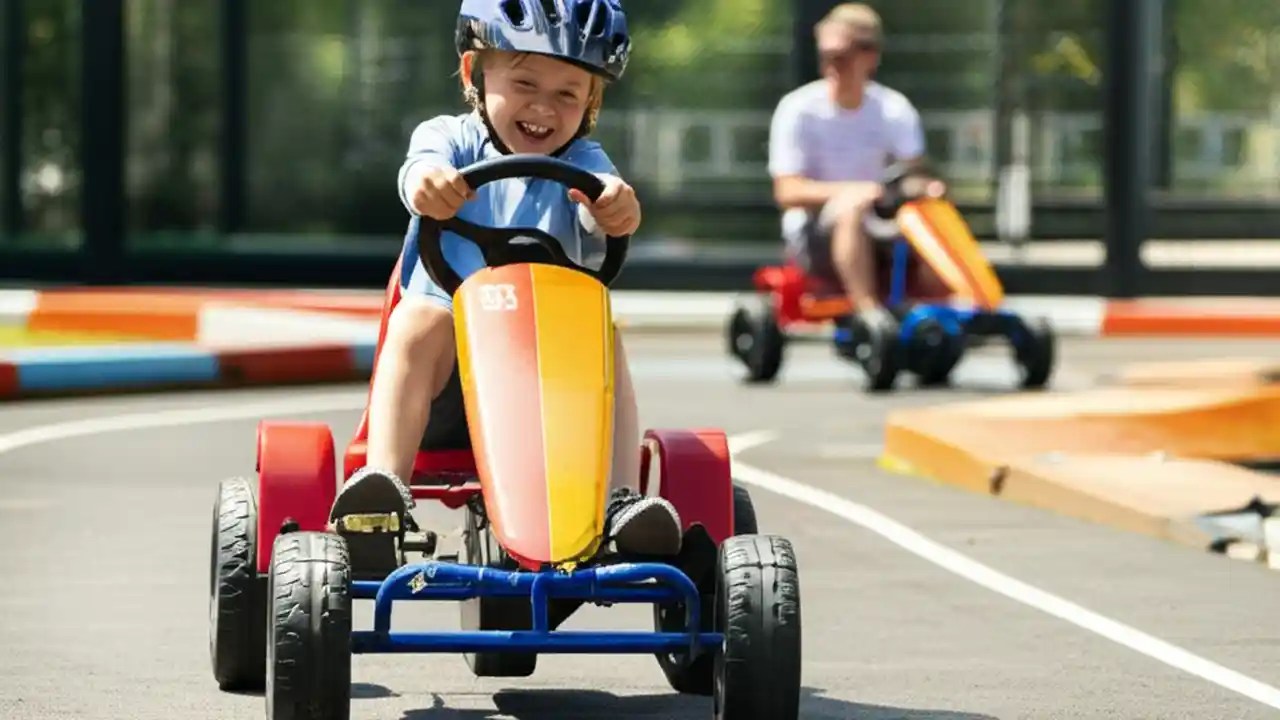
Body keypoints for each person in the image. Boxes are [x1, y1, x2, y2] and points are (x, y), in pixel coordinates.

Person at [328, 0, 683, 566]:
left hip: (549, 387)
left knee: (603, 333)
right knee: (422, 318)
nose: (543, 107)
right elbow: (419, 170)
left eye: (568, 93)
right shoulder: (450, 139)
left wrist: (617, 208)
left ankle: (616, 501)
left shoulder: (587, 161)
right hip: (448, 390)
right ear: (475, 73)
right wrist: (428, 185)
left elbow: (606, 200)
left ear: (592, 100)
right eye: (524, 83)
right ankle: (382, 493)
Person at [767, 3, 947, 328]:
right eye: (827, 57)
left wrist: (924, 188)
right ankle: (868, 314)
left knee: (929, 212)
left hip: (879, 226)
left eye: (843, 56)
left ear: (870, 57)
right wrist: (856, 192)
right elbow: (787, 190)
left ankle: (949, 305)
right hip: (815, 234)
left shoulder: (893, 109)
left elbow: (913, 172)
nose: (833, 66)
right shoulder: (798, 109)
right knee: (851, 208)